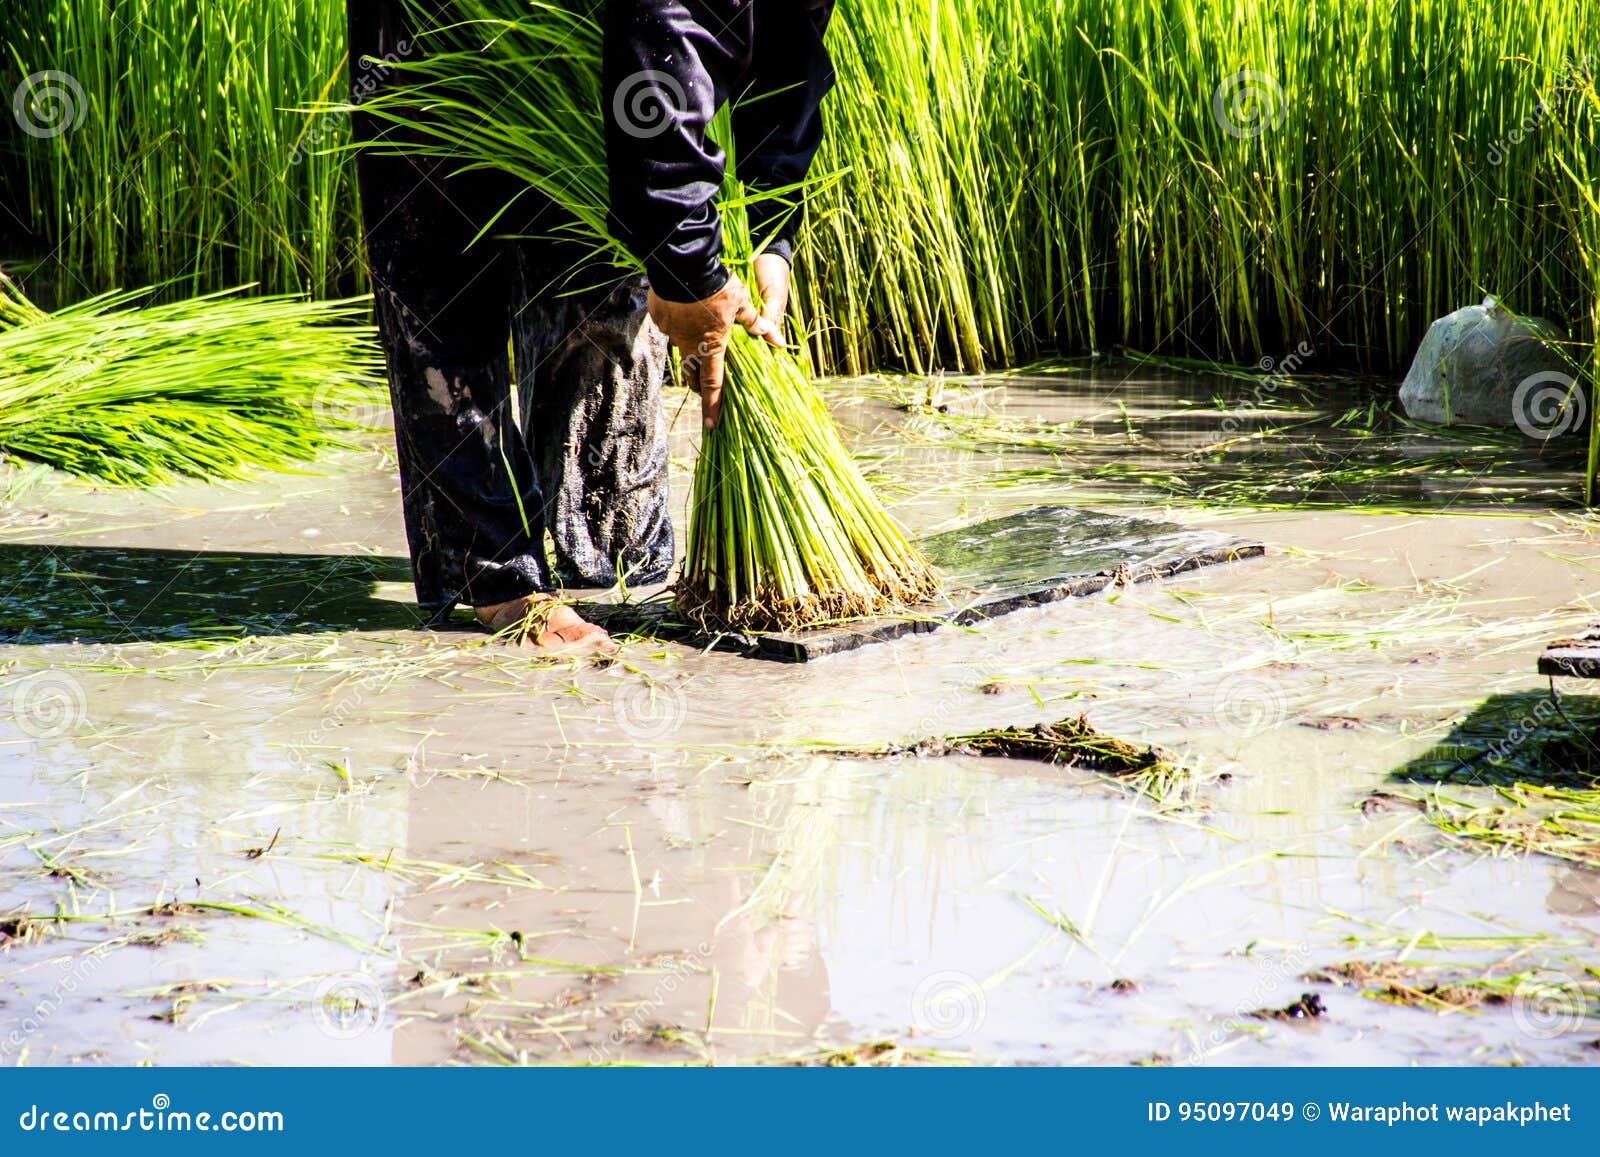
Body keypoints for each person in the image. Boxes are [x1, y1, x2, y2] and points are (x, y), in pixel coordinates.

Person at [346, 0, 836, 653]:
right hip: (434, 31)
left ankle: (606, 558)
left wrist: (772, 223)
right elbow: (662, 25)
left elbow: (787, 38)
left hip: (591, 41)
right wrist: (689, 268)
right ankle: (497, 582)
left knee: (601, 253)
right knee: (439, 266)